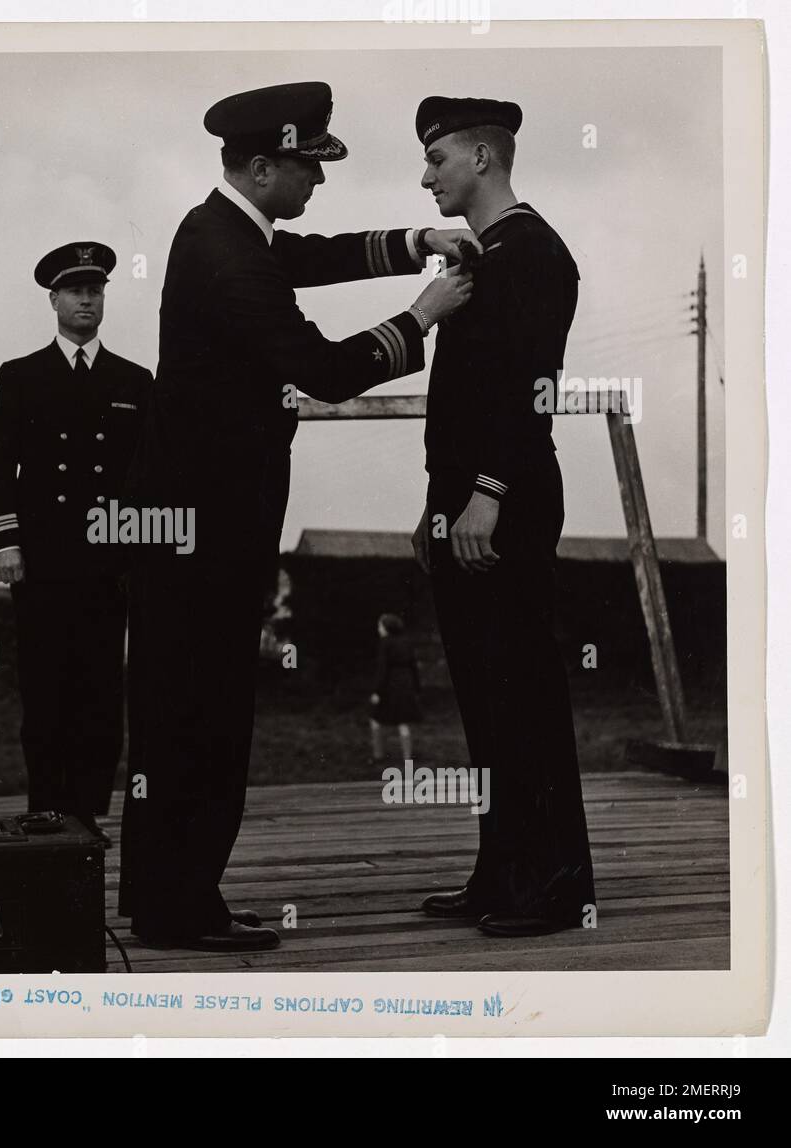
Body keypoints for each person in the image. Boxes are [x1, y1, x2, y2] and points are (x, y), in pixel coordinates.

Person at [119, 81, 477, 952]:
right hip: (213, 524)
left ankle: (166, 896)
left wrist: (416, 242)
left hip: (191, 524)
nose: (317, 184)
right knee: (205, 713)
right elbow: (323, 370)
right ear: (260, 165)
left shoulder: (221, 230)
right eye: (306, 169)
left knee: (180, 708)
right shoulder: (232, 258)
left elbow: (313, 254)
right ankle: (183, 907)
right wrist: (421, 314)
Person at [410, 96, 597, 937]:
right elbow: (463, 395)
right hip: (466, 500)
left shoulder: (533, 253)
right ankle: (502, 870)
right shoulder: (484, 256)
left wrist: (486, 493)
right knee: (485, 698)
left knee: (522, 689)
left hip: (508, 497)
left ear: (483, 157)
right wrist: (437, 506)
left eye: (439, 158)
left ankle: (556, 883)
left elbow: (532, 390)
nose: (428, 176)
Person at [0, 242, 153, 846]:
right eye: (75, 290)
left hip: (108, 561)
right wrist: (4, 542)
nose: (86, 299)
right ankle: (46, 812)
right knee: (46, 689)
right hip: (43, 561)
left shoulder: (134, 380)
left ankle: (86, 816)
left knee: (101, 691)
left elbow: (145, 474)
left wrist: (139, 549)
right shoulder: (19, 376)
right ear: (53, 299)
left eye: (96, 289)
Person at [368, 612, 421, 764]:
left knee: (375, 719)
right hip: (406, 684)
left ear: (386, 628)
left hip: (390, 685)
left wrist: (377, 691)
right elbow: (413, 666)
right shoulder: (407, 641)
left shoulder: (385, 643)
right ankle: (407, 758)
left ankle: (378, 756)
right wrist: (416, 688)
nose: (378, 629)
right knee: (403, 722)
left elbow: (382, 669)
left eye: (380, 626)